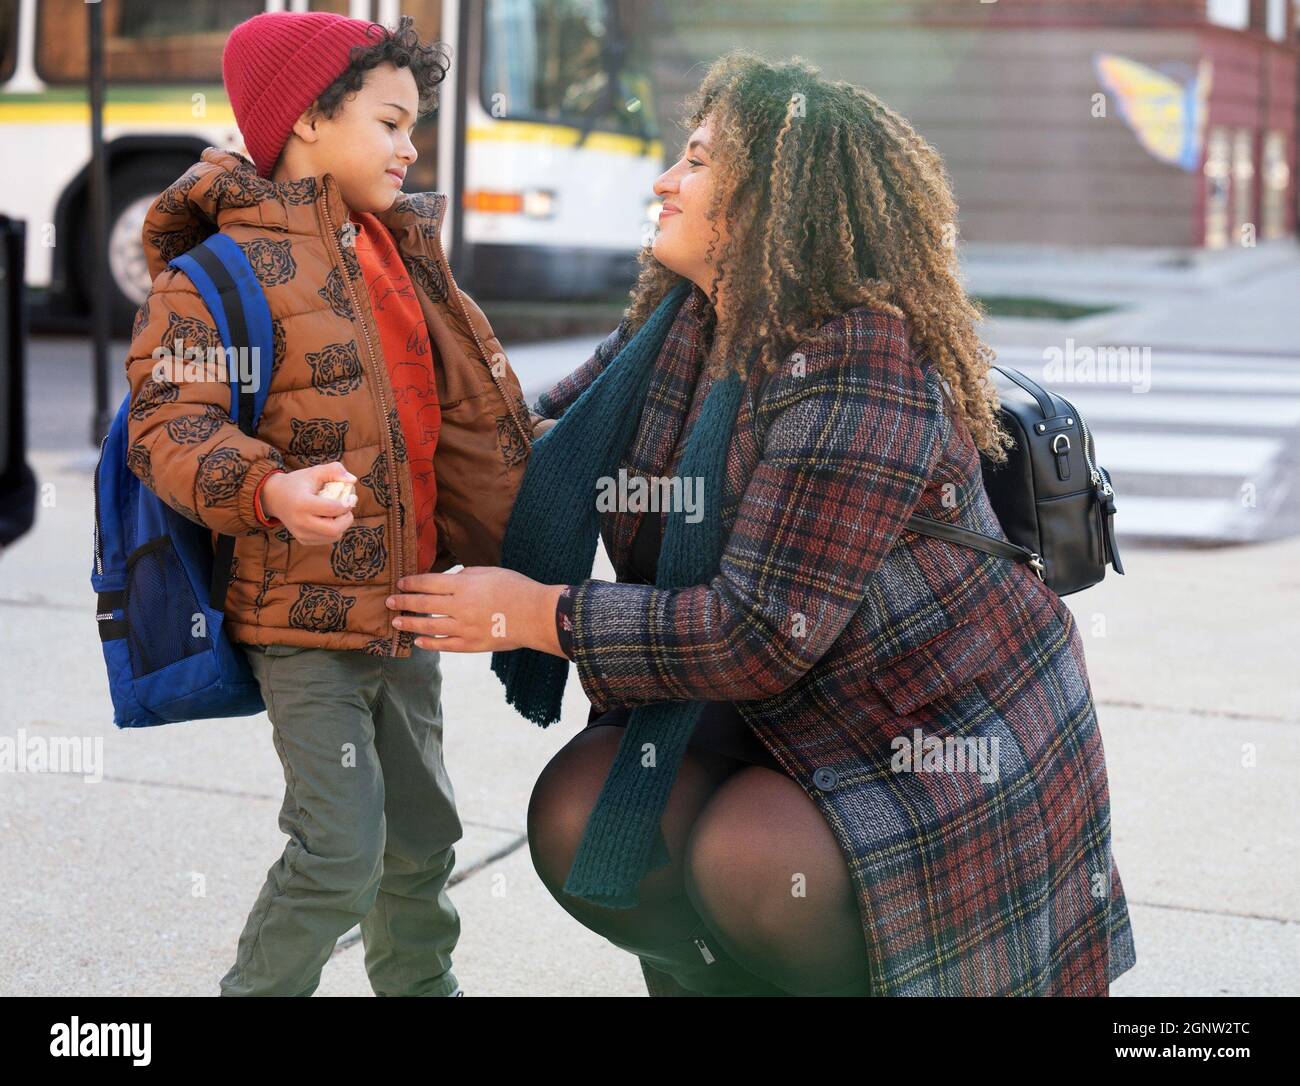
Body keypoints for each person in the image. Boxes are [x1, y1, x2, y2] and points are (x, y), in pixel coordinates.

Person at [385, 51, 1138, 997]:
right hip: (764, 709)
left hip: (926, 739)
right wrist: (396, 296)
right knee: (582, 814)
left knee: (748, 861)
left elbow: (756, 629)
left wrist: (537, 615)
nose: (665, 180)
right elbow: (534, 446)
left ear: (778, 201)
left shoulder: (864, 363)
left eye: (696, 163)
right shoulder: (682, 324)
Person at [122, 10, 550, 996]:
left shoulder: (398, 253)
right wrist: (268, 485)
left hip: (404, 608)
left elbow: (471, 414)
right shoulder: (218, 273)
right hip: (304, 621)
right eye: (391, 122)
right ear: (309, 119)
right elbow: (168, 421)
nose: (410, 147)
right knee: (339, 853)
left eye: (416, 127)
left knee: (422, 842)